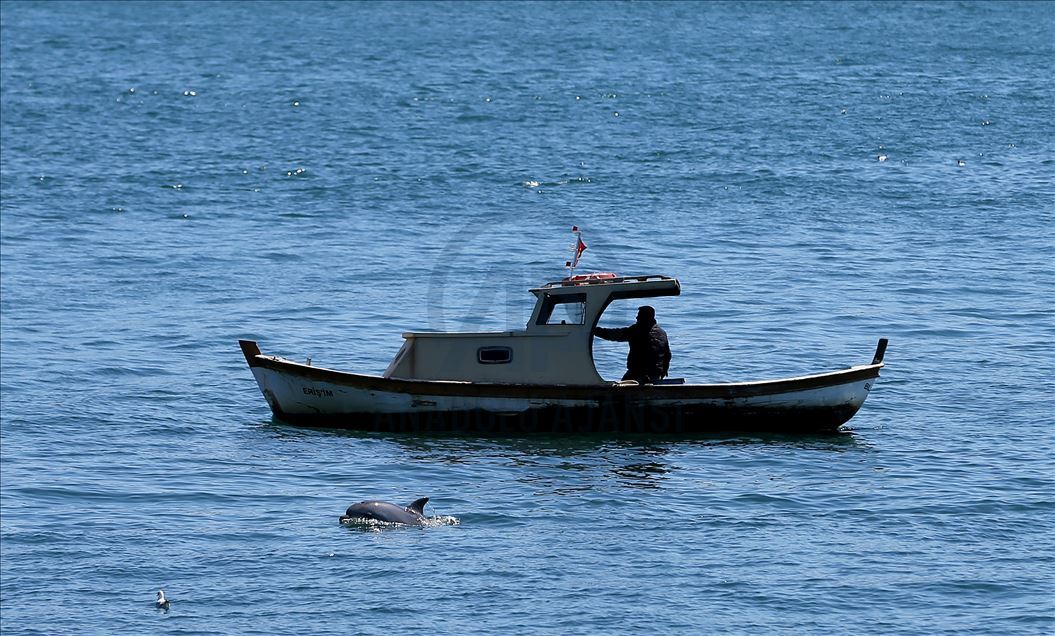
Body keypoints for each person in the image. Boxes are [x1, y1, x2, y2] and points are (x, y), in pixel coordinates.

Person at [593, 305, 671, 384]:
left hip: (637, 374)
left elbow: (613, 334)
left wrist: (594, 330)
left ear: (644, 317)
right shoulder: (662, 333)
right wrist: (664, 371)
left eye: (639, 315)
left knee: (621, 386)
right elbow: (667, 355)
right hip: (656, 375)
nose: (637, 318)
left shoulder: (636, 331)